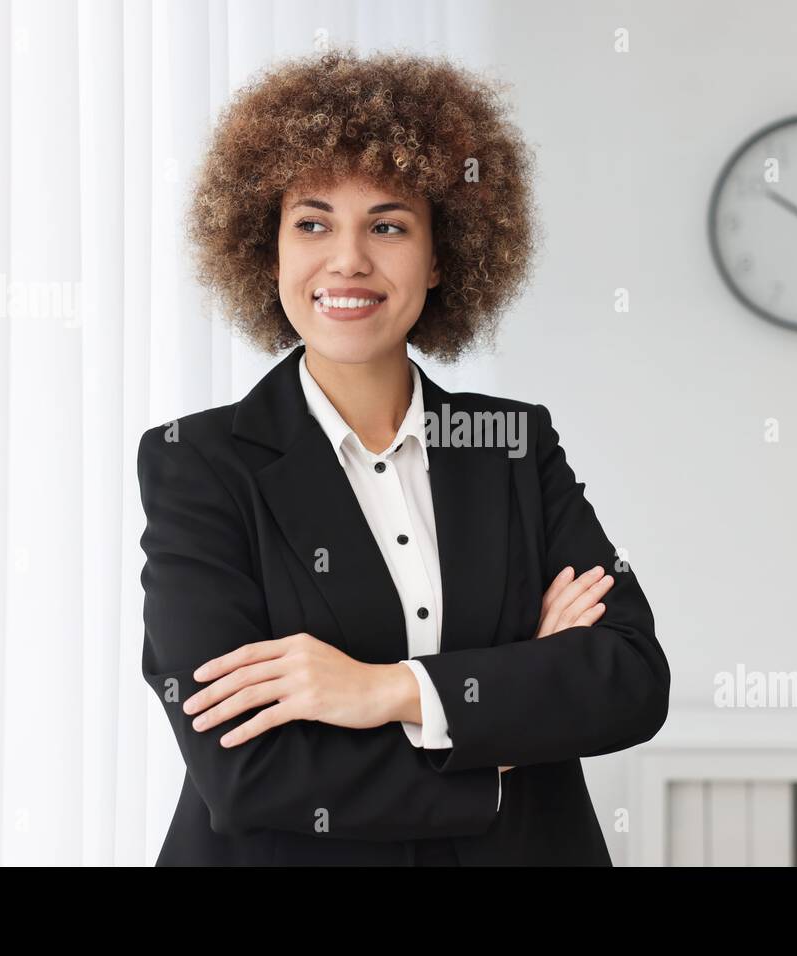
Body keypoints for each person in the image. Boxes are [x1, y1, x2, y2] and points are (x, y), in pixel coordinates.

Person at [137, 47, 670, 866]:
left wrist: (387, 691)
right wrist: (508, 721)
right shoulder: (199, 464)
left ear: (442, 254)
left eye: (387, 225)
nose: (348, 259)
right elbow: (248, 772)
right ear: (267, 249)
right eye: (312, 223)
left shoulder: (513, 444)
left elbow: (629, 680)